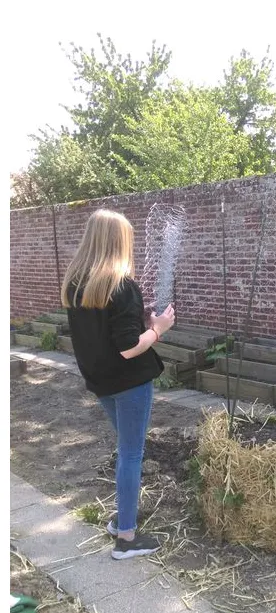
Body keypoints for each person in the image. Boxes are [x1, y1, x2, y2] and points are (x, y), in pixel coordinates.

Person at [61, 209, 175, 559]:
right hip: (128, 382)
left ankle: (120, 519)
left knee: (126, 448)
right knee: (131, 453)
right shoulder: (121, 286)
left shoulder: (77, 283)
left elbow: (107, 332)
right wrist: (158, 329)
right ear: (118, 242)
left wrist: (138, 320)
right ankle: (126, 537)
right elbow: (128, 348)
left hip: (101, 382)